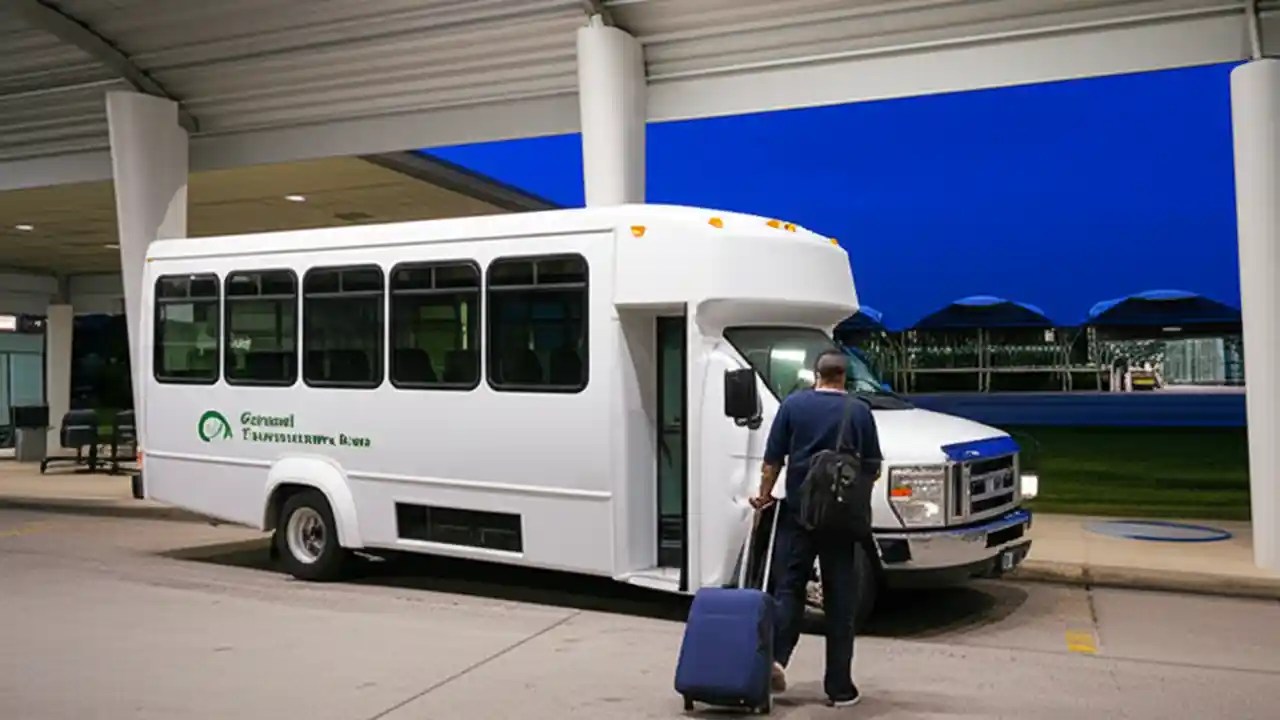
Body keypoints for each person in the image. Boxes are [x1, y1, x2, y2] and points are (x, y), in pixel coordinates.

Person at [750, 349, 883, 708]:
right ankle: (839, 688)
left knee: (789, 588)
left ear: (815, 375)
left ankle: (777, 660)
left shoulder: (794, 406)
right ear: (845, 377)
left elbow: (772, 461)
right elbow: (873, 467)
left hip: (799, 514)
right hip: (841, 520)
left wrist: (764, 497)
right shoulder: (860, 411)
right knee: (841, 600)